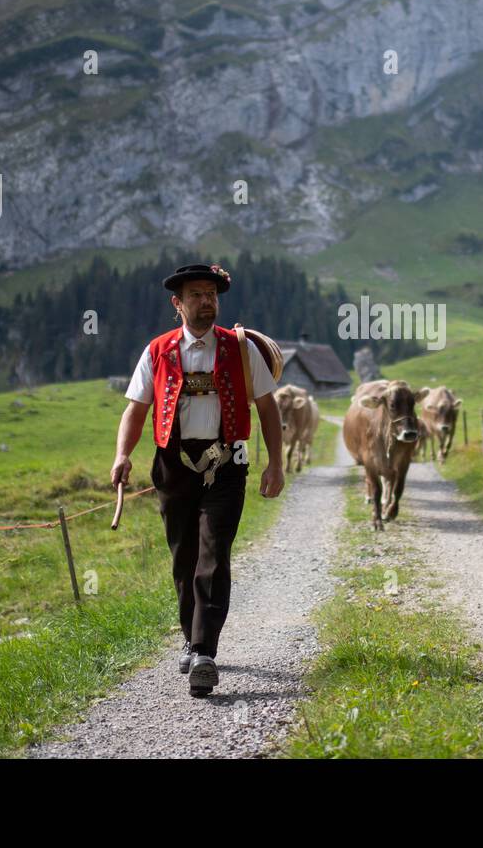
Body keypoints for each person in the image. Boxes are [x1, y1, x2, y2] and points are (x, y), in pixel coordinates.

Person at [110, 262, 286, 697]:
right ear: (178, 303)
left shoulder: (240, 350)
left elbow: (267, 408)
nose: (206, 302)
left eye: (212, 294)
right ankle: (190, 637)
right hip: (173, 466)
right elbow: (136, 409)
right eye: (196, 295)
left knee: (214, 551)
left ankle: (205, 652)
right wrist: (122, 455)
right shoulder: (157, 351)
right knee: (183, 556)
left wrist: (276, 464)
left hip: (226, 463)